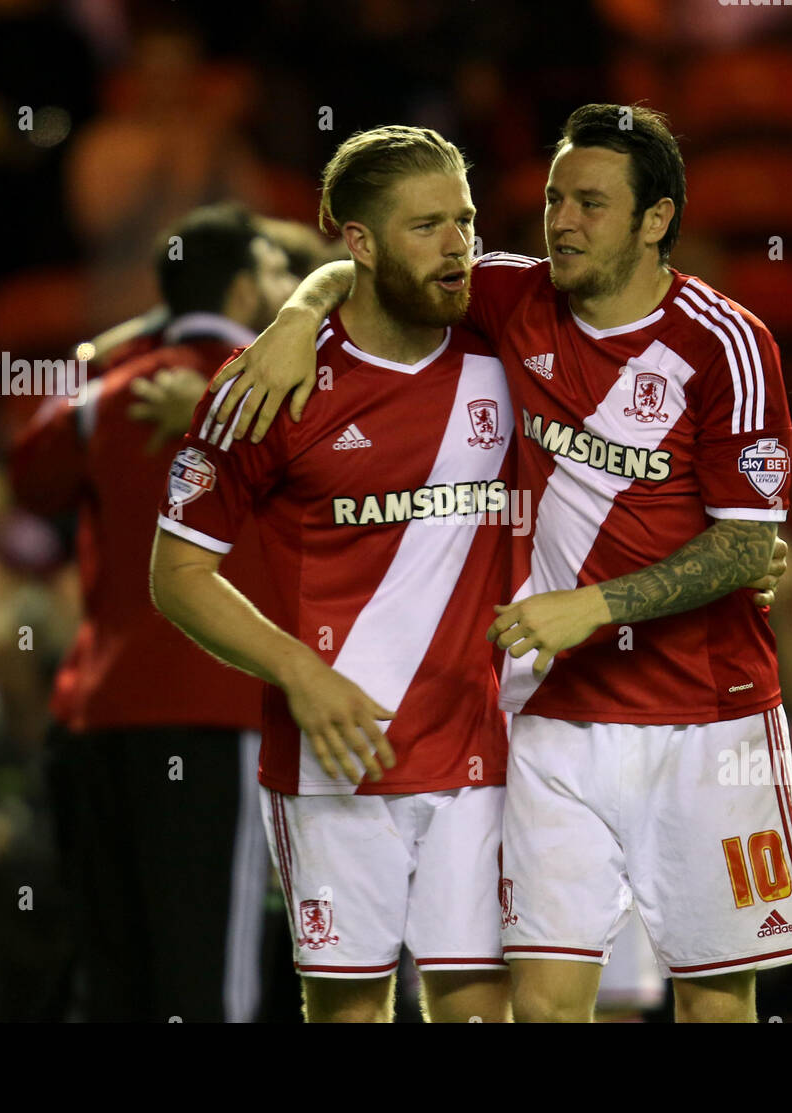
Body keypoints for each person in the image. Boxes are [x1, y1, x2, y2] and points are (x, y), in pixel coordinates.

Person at [206, 105, 792, 1023]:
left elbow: (744, 543)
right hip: (554, 721)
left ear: (656, 221)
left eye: (593, 205)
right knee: (535, 1007)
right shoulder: (511, 298)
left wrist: (597, 605)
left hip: (709, 717)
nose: (562, 222)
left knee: (718, 1007)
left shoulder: (726, 344)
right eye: (553, 199)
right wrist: (298, 313)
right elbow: (378, 262)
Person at [149, 127, 520, 1023]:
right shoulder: (270, 385)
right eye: (428, 225)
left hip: (486, 748)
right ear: (359, 240)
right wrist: (299, 672)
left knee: (476, 1007)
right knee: (350, 1011)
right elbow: (178, 573)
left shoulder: (506, 339)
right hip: (334, 763)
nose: (458, 247)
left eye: (465, 221)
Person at [10, 202, 299, 1022]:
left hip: (98, 719)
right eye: (275, 271)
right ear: (243, 285)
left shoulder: (108, 396)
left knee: (115, 982)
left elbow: (29, 473)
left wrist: (123, 346)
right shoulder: (285, 391)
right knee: (210, 984)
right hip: (218, 716)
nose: (288, 288)